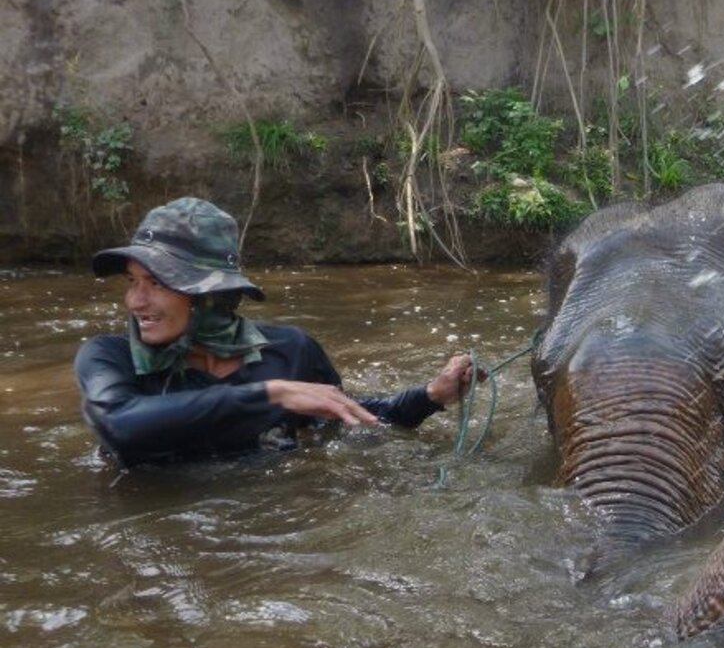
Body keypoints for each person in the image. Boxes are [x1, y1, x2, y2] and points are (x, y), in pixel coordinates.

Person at [74, 197, 481, 467]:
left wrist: (431, 397)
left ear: (210, 296)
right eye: (132, 282)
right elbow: (121, 427)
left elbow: (350, 417)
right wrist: (272, 393)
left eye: (157, 283)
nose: (136, 302)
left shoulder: (289, 351)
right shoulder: (109, 358)